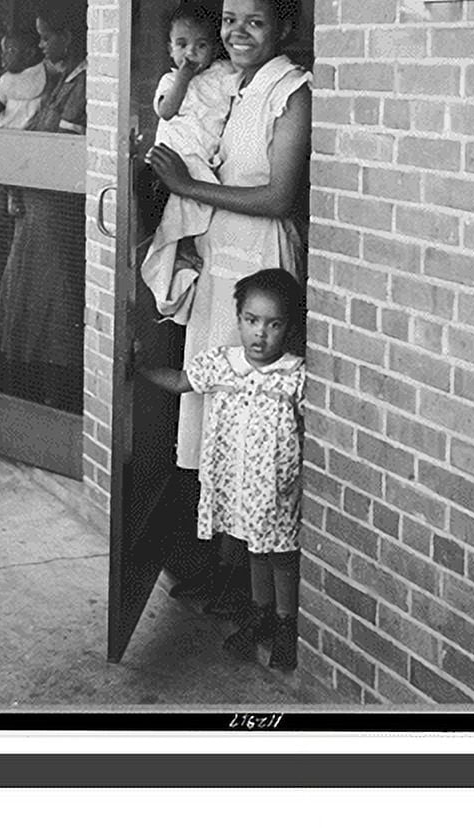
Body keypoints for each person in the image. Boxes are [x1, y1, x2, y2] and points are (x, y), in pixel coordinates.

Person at [148, 0, 312, 613]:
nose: (238, 33)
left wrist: (188, 191)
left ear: (284, 29)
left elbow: (277, 196)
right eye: (228, 21)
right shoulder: (225, 83)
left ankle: (257, 592)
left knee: (255, 426)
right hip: (221, 260)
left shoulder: (291, 91)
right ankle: (224, 567)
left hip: (261, 267)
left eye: (255, 22)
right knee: (217, 416)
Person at [137, 268, 306, 670]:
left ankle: (286, 624)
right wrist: (139, 367)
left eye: (273, 324)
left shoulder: (295, 375)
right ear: (239, 319)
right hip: (239, 486)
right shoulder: (223, 364)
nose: (260, 334)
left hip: (275, 490)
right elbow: (180, 381)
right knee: (254, 550)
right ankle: (260, 614)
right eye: (251, 321)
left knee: (280, 555)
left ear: (289, 328)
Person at [0, 0, 87, 409]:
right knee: (28, 301)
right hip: (35, 210)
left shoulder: (83, 83)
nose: (42, 45)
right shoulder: (59, 78)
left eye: (47, 37)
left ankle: (55, 402)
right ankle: (28, 400)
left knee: (53, 306)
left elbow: (58, 149)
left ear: (70, 35)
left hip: (55, 214)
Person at [140, 4, 236, 324]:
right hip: (170, 162)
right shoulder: (169, 81)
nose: (190, 53)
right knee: (171, 220)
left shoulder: (222, 75)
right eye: (182, 45)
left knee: (198, 214)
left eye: (201, 45)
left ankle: (186, 257)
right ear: (170, 49)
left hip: (201, 165)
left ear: (214, 48)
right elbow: (167, 111)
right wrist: (183, 76)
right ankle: (176, 264)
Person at [0, 29, 47, 130]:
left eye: (10, 51)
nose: (3, 56)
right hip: (7, 132)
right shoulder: (6, 79)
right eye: (3, 51)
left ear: (29, 53)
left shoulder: (46, 73)